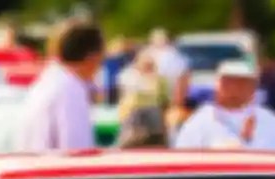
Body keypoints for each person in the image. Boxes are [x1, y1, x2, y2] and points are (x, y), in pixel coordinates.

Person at [16, 21, 105, 152]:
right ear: (93, 57)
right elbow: (78, 153)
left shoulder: (47, 83)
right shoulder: (70, 90)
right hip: (48, 169)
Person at [173, 60, 275, 151]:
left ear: (253, 87)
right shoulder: (200, 121)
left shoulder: (269, 121)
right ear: (218, 85)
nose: (234, 89)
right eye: (229, 82)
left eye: (242, 83)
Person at [116, 50, 169, 129]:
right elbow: (124, 98)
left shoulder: (160, 80)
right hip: (132, 118)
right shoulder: (128, 77)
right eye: (145, 64)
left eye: (150, 65)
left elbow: (165, 102)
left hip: (153, 119)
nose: (147, 67)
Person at [147, 28, 189, 107]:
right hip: (156, 93)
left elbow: (181, 74)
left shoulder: (172, 55)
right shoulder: (149, 53)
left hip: (166, 92)